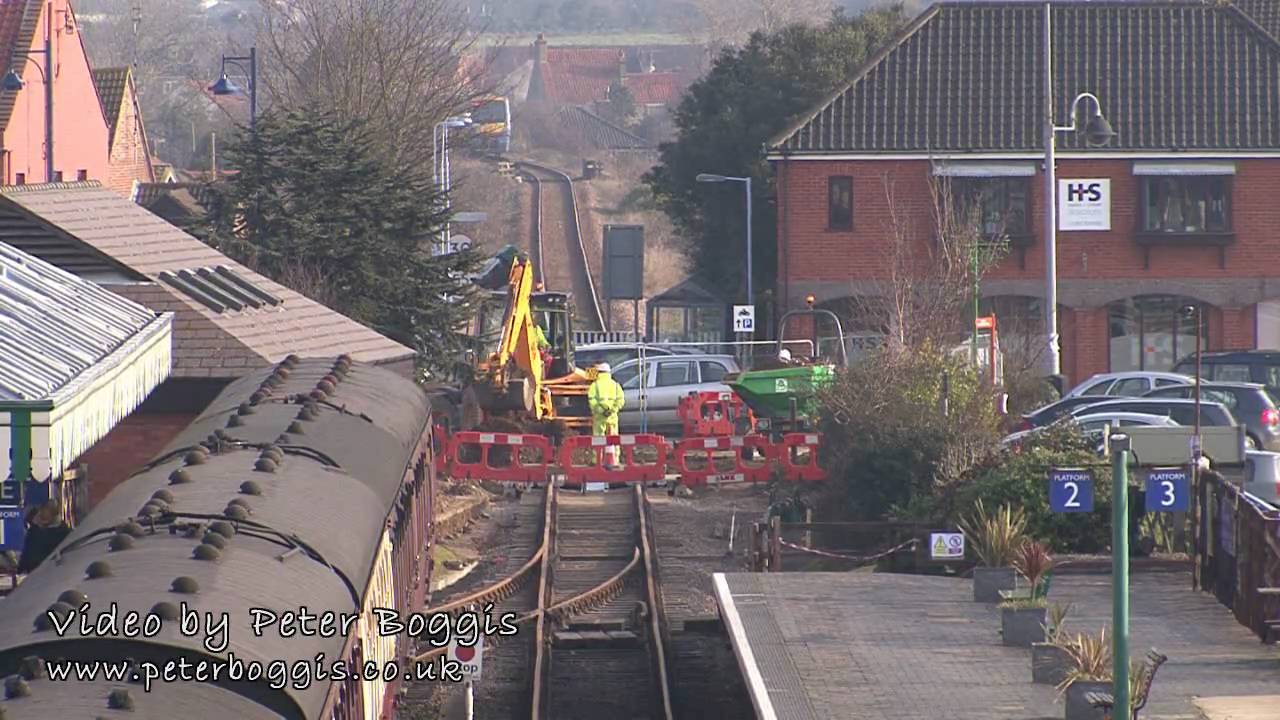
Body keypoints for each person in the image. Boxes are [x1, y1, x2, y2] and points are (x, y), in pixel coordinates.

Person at [588, 362, 625, 467]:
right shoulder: (615, 385)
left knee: (598, 438)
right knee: (614, 438)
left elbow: (592, 401)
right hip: (612, 417)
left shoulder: (594, 385)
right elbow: (620, 400)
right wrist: (612, 410)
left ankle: (597, 460)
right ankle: (615, 459)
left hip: (600, 418)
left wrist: (601, 410)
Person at [17, 500, 70, 574]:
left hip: (51, 573)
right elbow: (27, 551)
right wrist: (20, 570)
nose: (43, 516)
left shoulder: (63, 531)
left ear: (54, 515)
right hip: (32, 572)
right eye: (43, 511)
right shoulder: (34, 530)